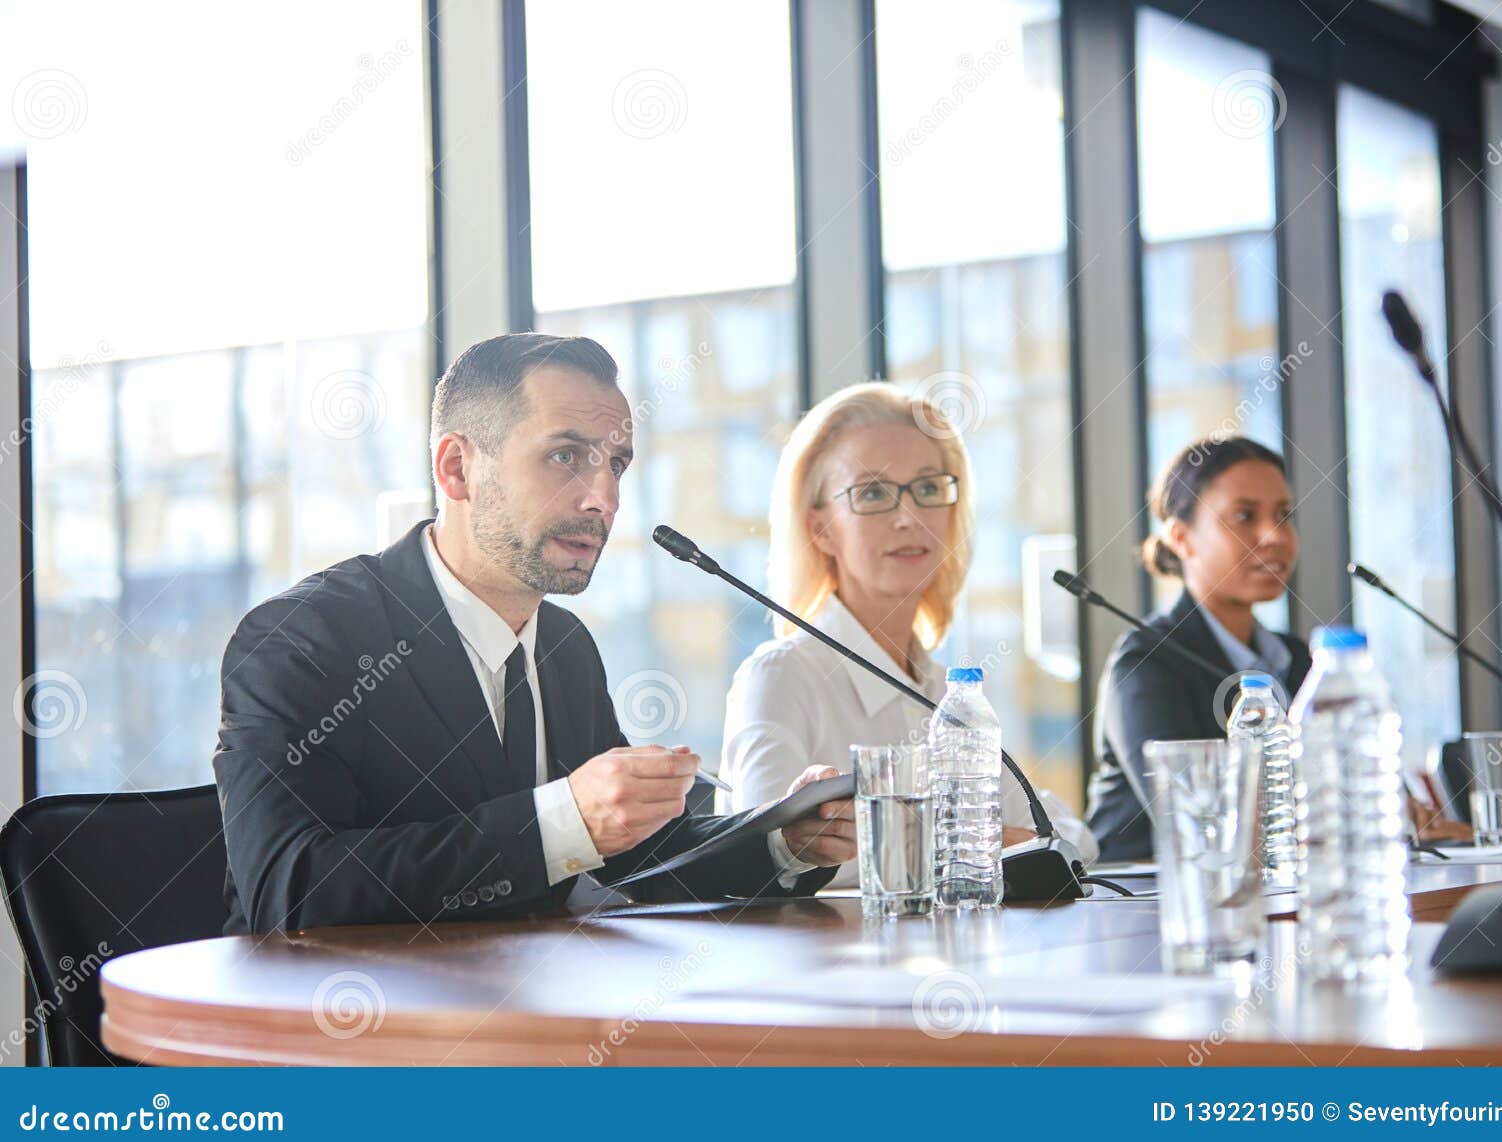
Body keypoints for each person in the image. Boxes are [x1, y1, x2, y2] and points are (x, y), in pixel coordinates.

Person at [214, 334, 855, 933]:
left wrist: (780, 841)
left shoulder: (563, 647)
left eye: (617, 465)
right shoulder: (303, 638)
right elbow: (287, 892)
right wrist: (563, 824)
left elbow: (637, 858)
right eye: (565, 457)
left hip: (530, 1023)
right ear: (458, 468)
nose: (603, 497)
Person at [720, 382, 1097, 887]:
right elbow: (758, 860)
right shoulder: (781, 677)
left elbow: (1069, 836)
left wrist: (943, 838)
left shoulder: (952, 695)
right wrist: (963, 839)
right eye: (873, 492)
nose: (908, 517)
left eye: (927, 488)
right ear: (820, 528)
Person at [1085, 436, 1311, 862]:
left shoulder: (1296, 659)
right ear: (1181, 538)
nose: (1275, 536)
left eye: (1284, 515)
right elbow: (1195, 818)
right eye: (1244, 516)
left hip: (1268, 895)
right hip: (1139, 910)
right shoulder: (1146, 661)